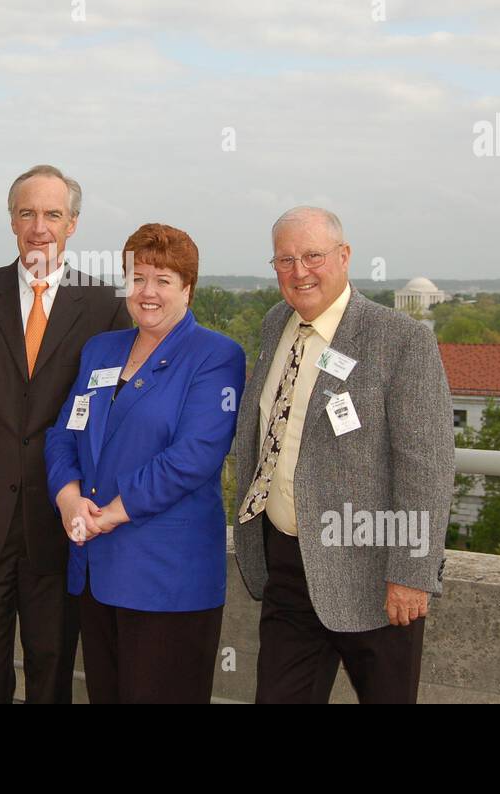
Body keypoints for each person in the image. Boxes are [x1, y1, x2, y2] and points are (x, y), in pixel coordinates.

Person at [233, 206, 454, 703]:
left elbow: (427, 467)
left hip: (373, 574)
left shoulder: (400, 339)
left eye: (313, 255)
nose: (299, 272)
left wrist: (412, 573)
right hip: (287, 564)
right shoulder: (276, 325)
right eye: (284, 260)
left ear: (345, 256)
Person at [0, 164, 129, 703]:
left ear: (73, 224)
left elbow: (114, 415)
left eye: (53, 214)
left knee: (52, 673)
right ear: (12, 221)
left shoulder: (107, 305)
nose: (40, 226)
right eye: (27, 213)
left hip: (61, 525)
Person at [45, 223, 245, 703]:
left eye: (163, 280)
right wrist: (70, 500)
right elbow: (62, 435)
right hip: (96, 570)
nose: (147, 292)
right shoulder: (100, 350)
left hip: (167, 580)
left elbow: (193, 457)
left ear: (188, 288)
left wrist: (108, 514)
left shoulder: (216, 356)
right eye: (137, 278)